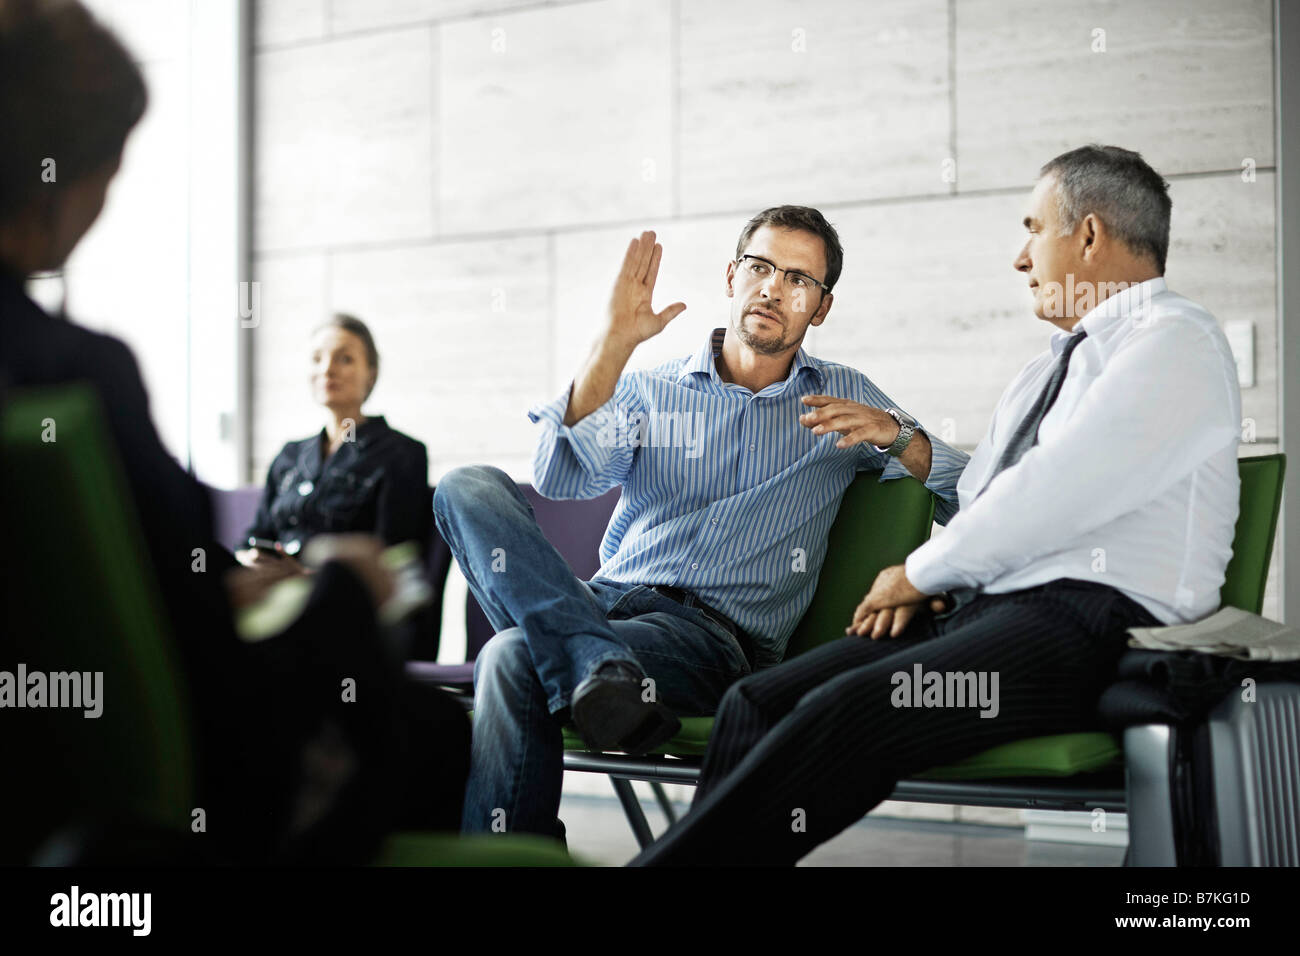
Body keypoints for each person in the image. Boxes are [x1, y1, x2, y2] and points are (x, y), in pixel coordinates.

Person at [630, 145, 1242, 866]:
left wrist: (919, 574)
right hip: (993, 610)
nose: (1022, 259)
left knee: (847, 715)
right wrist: (941, 582)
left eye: (1032, 229)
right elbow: (983, 494)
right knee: (754, 703)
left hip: (1094, 623)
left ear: (1088, 235)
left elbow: (1061, 486)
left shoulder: (1174, 338)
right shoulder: (1046, 368)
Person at [0, 0, 467, 863]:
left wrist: (225, 581)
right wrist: (341, 598)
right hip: (175, 818)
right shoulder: (79, 377)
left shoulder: (398, 454)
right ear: (68, 174)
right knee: (436, 736)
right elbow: (214, 679)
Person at [434, 206, 968, 837]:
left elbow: (977, 494)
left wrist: (899, 433)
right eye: (760, 267)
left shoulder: (841, 398)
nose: (773, 287)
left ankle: (514, 845)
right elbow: (560, 475)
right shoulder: (649, 389)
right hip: (598, 601)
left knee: (512, 655)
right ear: (731, 276)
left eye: (799, 279)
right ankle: (600, 671)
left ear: (820, 308)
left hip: (709, 640)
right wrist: (611, 346)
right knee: (465, 487)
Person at [238, 313, 430, 571]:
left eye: (345, 359)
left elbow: (392, 560)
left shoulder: (402, 453)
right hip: (267, 589)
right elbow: (253, 538)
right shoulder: (289, 455)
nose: (327, 369)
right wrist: (247, 558)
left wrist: (304, 576)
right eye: (317, 359)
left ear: (370, 375)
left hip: (339, 598)